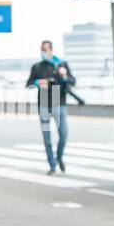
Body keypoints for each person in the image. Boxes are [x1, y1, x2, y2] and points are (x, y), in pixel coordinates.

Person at [26, 40, 76, 175]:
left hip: (58, 100)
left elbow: (73, 81)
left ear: (51, 50)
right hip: (43, 101)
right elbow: (29, 83)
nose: (44, 52)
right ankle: (52, 165)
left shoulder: (61, 64)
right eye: (42, 49)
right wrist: (37, 82)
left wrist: (64, 75)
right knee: (47, 137)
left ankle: (59, 157)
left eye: (46, 49)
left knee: (64, 133)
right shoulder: (37, 67)